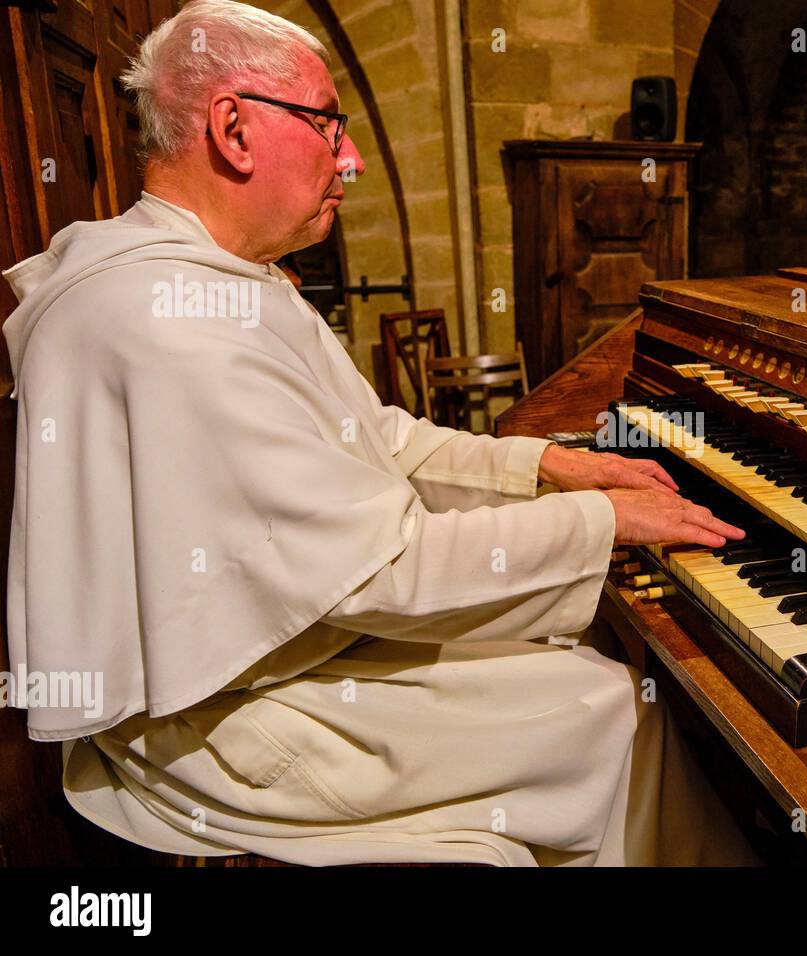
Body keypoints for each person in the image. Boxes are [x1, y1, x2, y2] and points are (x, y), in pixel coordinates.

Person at [2, 0, 756, 866]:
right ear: (234, 128)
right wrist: (605, 525)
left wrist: (546, 464)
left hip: (281, 657)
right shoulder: (169, 320)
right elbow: (376, 570)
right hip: (218, 724)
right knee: (619, 712)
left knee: (576, 647)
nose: (350, 157)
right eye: (329, 124)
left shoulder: (233, 281)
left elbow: (382, 441)